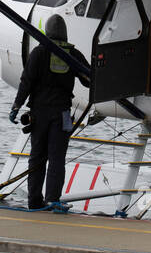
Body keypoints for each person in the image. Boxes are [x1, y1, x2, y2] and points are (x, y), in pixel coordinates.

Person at [9, 15, 90, 209]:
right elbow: (88, 79)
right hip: (62, 114)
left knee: (37, 157)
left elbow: (26, 81)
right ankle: (53, 199)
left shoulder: (39, 53)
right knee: (56, 159)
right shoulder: (73, 55)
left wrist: (16, 106)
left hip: (39, 114)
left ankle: (34, 201)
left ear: (47, 31)